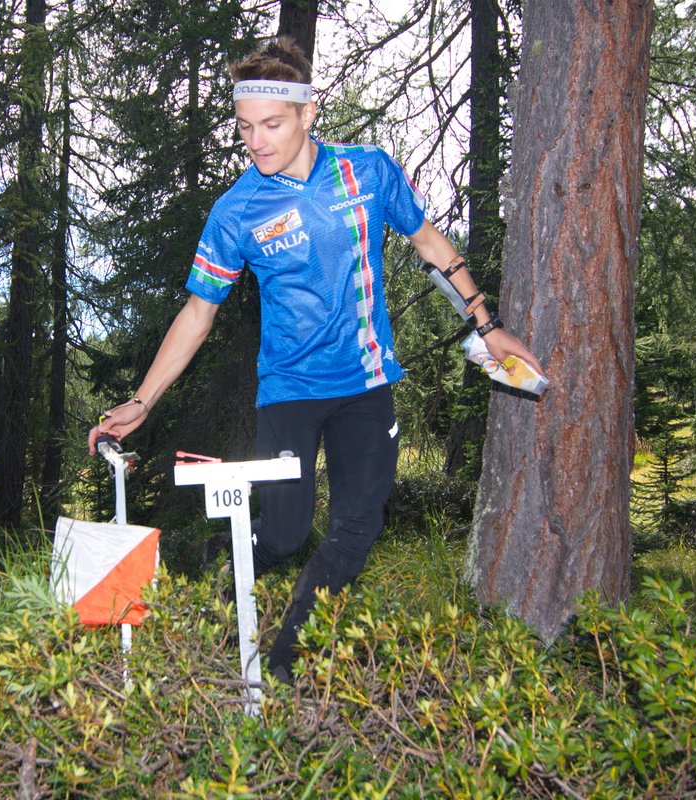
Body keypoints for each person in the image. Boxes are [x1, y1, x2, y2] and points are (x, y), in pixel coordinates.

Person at [88, 36, 544, 684]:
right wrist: (143, 398)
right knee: (283, 534)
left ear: (308, 113)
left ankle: (284, 666)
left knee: (357, 526)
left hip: (366, 384)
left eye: (271, 124)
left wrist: (487, 323)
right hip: (289, 391)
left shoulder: (368, 172)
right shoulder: (237, 210)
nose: (257, 141)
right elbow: (198, 312)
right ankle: (207, 569)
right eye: (245, 128)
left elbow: (429, 241)